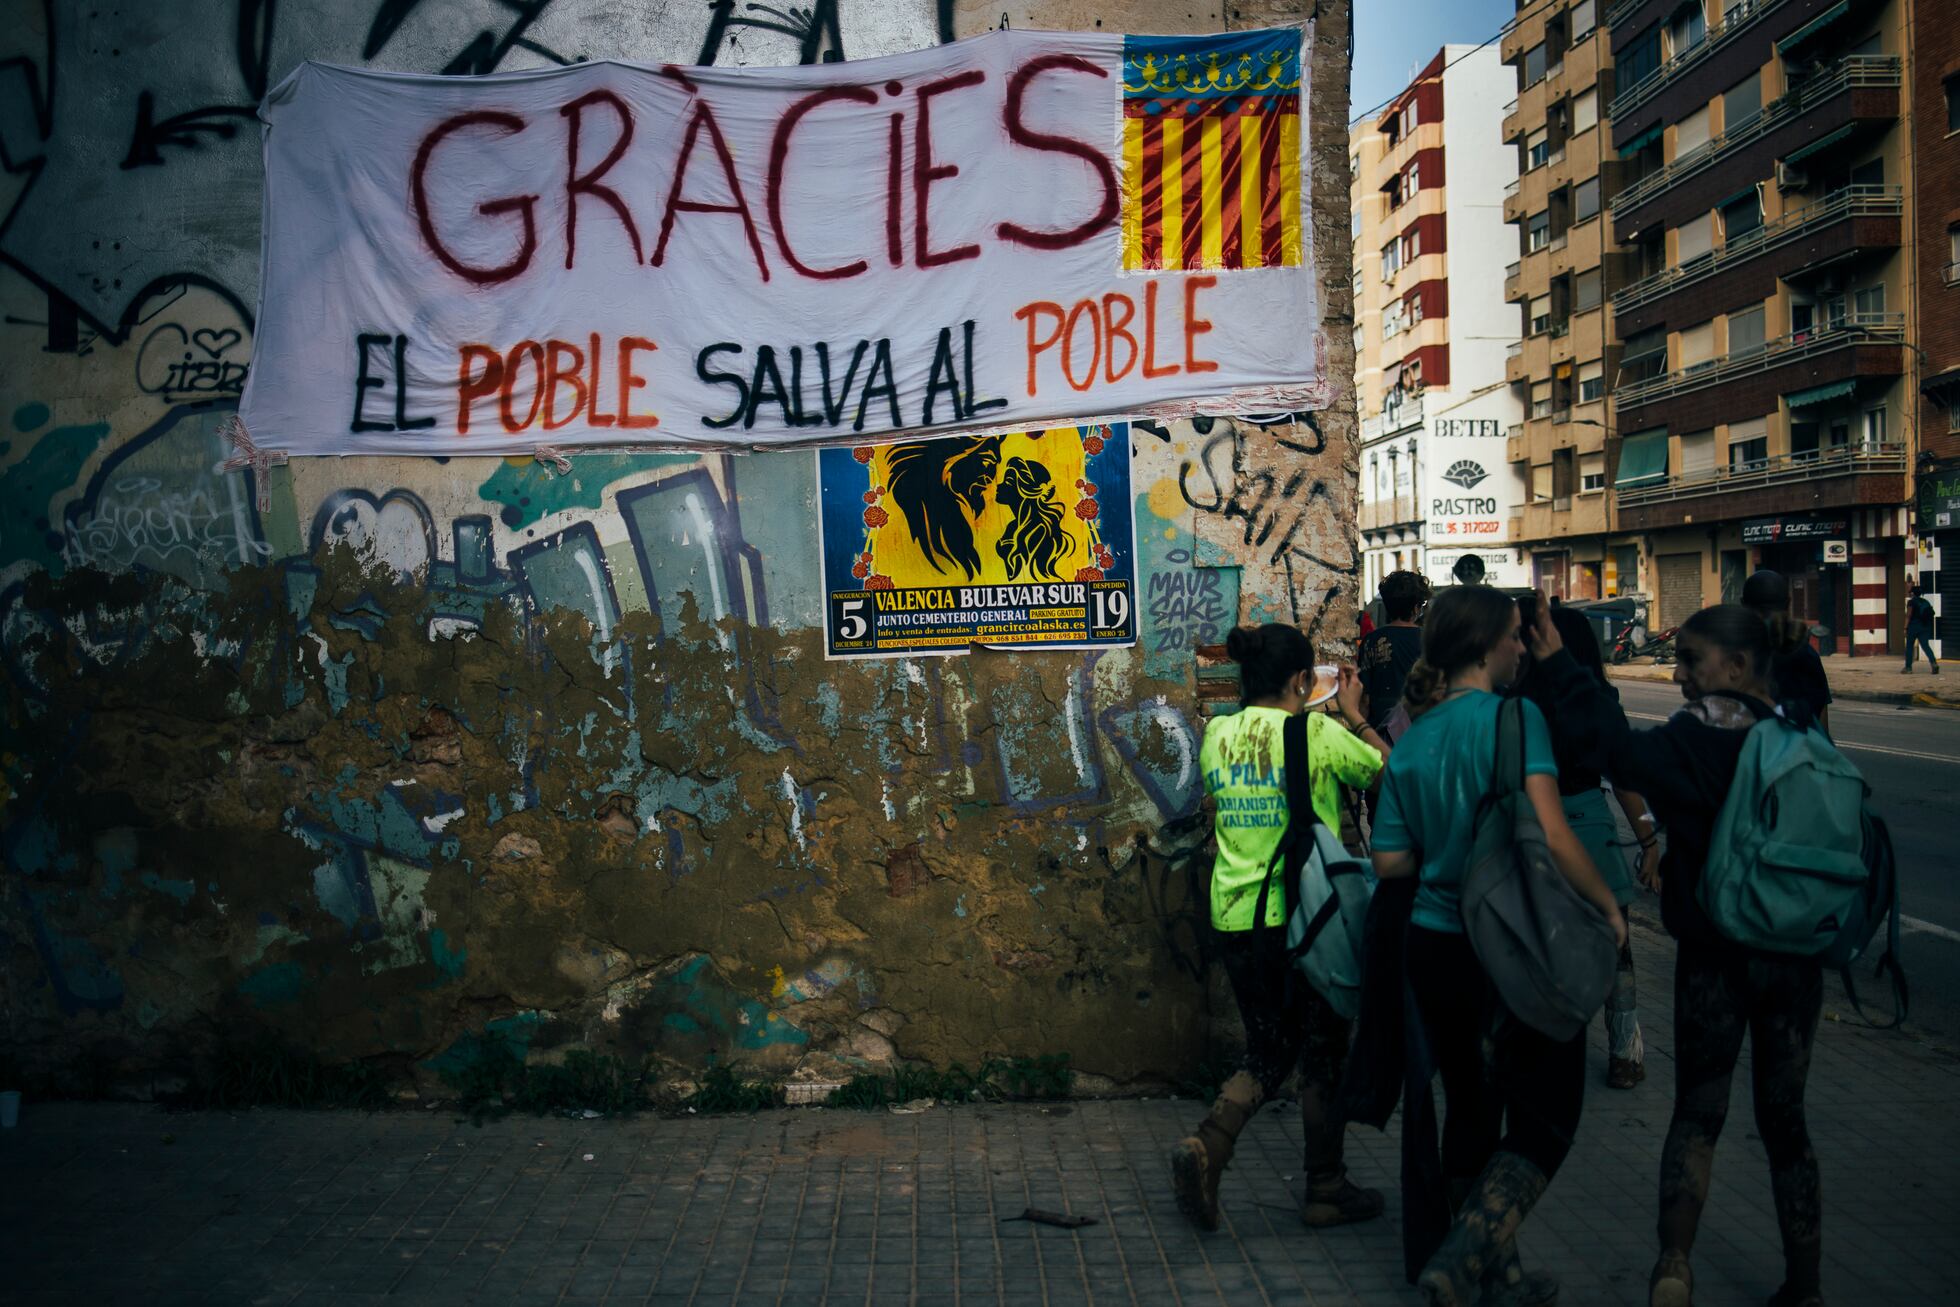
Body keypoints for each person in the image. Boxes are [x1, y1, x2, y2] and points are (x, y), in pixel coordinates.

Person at [1526, 604, 1828, 1307]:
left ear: (1736, 666)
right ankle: (1807, 1285)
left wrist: (1564, 667)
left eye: (1691, 660)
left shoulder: (1697, 740)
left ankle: (1674, 1268)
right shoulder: (1800, 728)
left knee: (1697, 1112)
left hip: (1715, 955)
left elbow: (1611, 747)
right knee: (1788, 1121)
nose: (1678, 673)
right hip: (1794, 960)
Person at [1371, 587, 1627, 1307]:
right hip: (1509, 946)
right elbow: (1551, 832)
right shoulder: (1519, 719)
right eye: (1515, 636)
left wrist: (1446, 856)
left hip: (1434, 946)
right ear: (1486, 647)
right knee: (1547, 1116)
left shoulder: (1411, 737)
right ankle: (1460, 1258)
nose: (1522, 647)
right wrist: (1608, 905)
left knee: (1471, 1108)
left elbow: (1390, 863)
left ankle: (1501, 1274)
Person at [1172, 625, 1392, 1233]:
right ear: (1302, 680)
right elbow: (1395, 780)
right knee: (1323, 1053)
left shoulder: (1217, 734)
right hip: (1304, 917)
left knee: (1269, 1047)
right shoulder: (1319, 733)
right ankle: (1324, 1186)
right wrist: (1355, 717)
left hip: (1236, 918)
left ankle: (1209, 1145)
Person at [1512, 604, 1658, 1090]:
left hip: (1530, 827)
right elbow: (1625, 777)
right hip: (1590, 826)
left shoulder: (1513, 702)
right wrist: (1648, 839)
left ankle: (1540, 1046)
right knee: (1615, 946)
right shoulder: (1597, 700)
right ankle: (1626, 1052)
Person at [1742, 569, 1831, 733]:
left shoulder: (1736, 653)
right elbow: (1821, 719)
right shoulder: (1807, 653)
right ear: (1788, 604)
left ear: (1743, 605)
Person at [1357, 570, 1432, 734]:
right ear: (1416, 607)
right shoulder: (1430, 640)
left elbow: (1364, 698)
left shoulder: (1371, 640)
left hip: (1381, 731)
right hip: (1422, 729)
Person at [1903, 584, 1938, 674]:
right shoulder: (1925, 602)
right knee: (1925, 646)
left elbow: (1908, 615)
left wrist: (1905, 627)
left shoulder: (1911, 602)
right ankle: (1934, 663)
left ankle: (1908, 668)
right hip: (1925, 627)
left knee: (1909, 646)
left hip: (1914, 626)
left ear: (1913, 593)